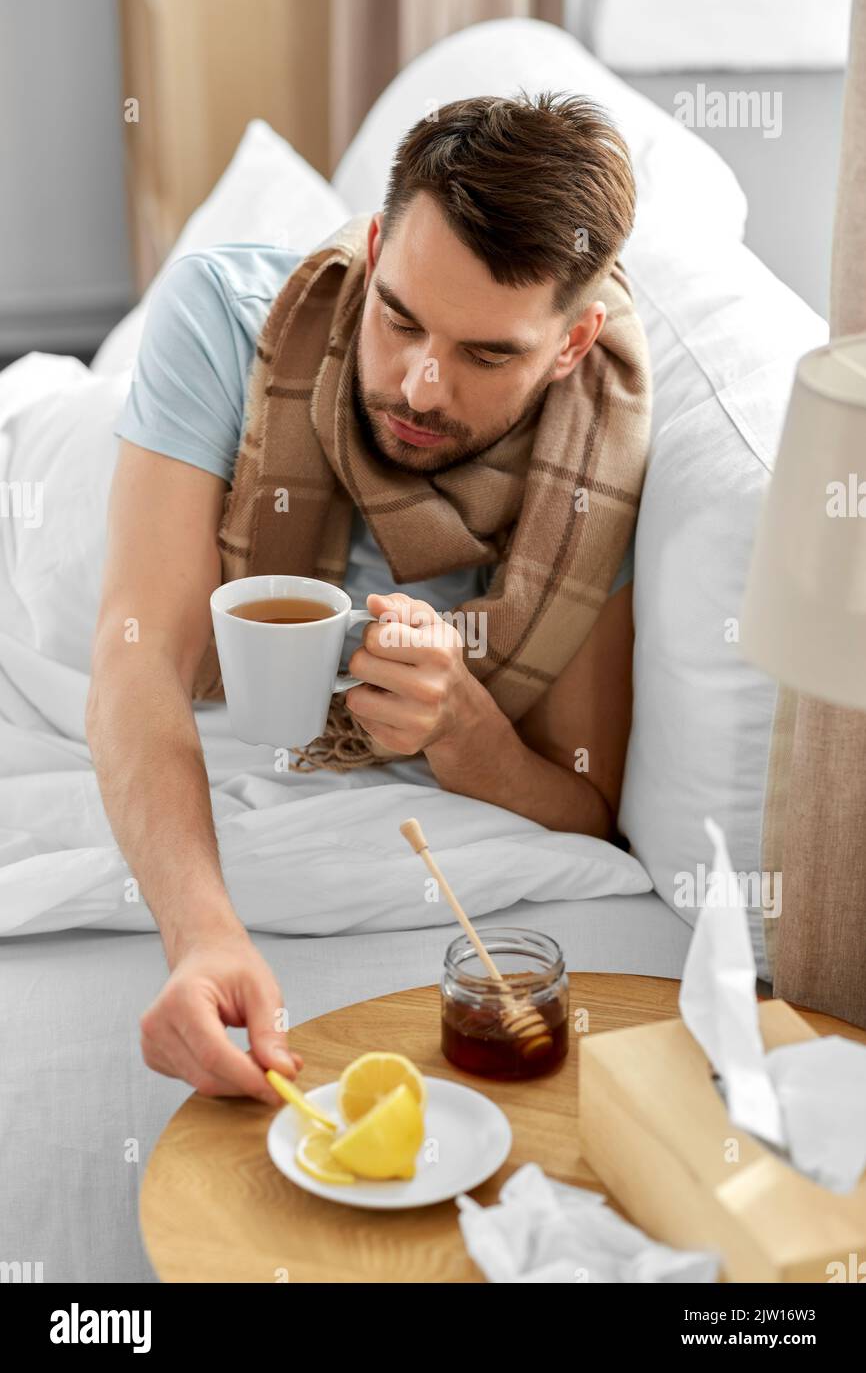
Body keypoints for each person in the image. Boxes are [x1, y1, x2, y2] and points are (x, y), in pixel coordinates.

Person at [86, 91, 649, 1105]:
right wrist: (204, 933)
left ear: (570, 346)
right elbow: (136, 656)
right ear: (379, 247)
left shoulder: (593, 462)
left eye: (488, 354)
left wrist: (469, 735)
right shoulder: (220, 311)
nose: (424, 386)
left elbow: (586, 805)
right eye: (399, 319)